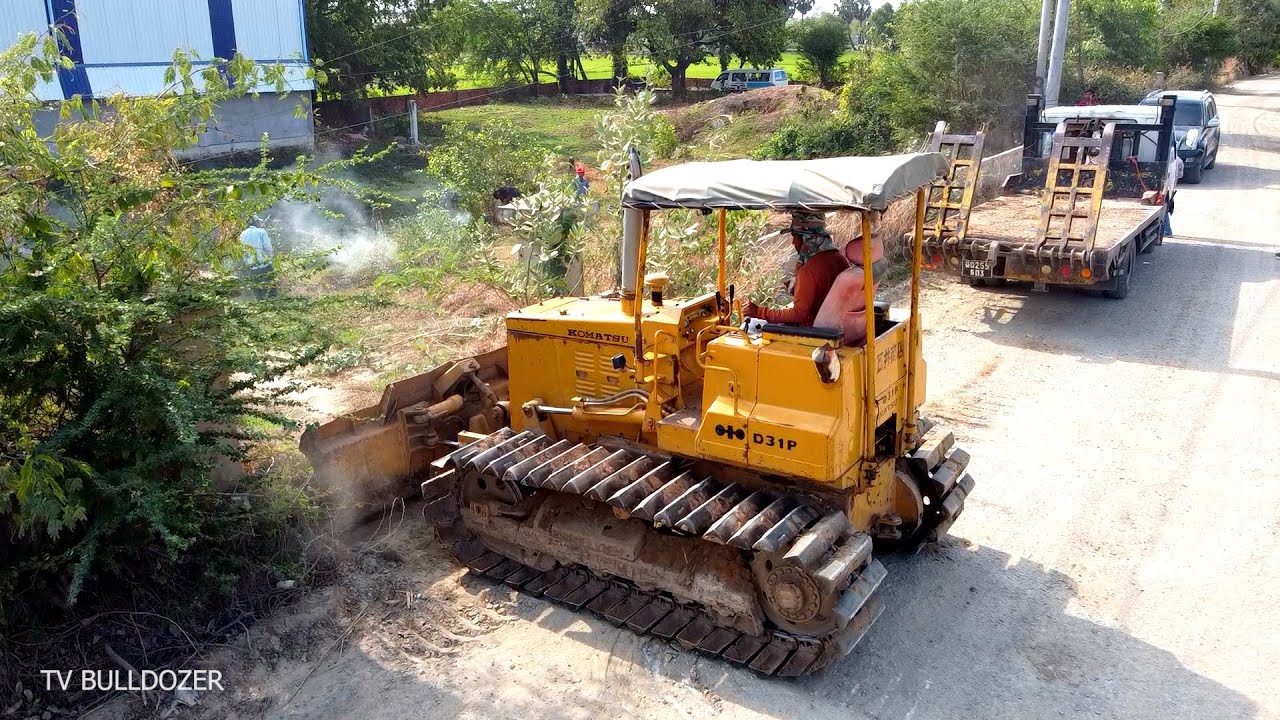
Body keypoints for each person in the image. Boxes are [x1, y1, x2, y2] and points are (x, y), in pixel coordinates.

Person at [743, 211, 848, 326]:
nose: (793, 243)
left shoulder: (809, 270)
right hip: (837, 326)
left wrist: (760, 312)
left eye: (795, 237)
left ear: (806, 239)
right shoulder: (839, 259)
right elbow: (824, 292)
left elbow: (799, 315)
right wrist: (799, 289)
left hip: (818, 332)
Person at [813, 217, 888, 346]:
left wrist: (765, 312)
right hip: (857, 333)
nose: (793, 242)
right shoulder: (877, 266)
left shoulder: (848, 278)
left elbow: (811, 321)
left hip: (827, 341)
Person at [239, 216, 276, 300]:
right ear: (256, 222)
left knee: (256, 288)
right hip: (264, 264)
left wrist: (246, 262)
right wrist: (270, 257)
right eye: (258, 222)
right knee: (270, 287)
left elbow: (242, 251)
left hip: (251, 265)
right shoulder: (261, 232)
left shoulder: (243, 234)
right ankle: (272, 305)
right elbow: (268, 247)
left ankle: (260, 305)